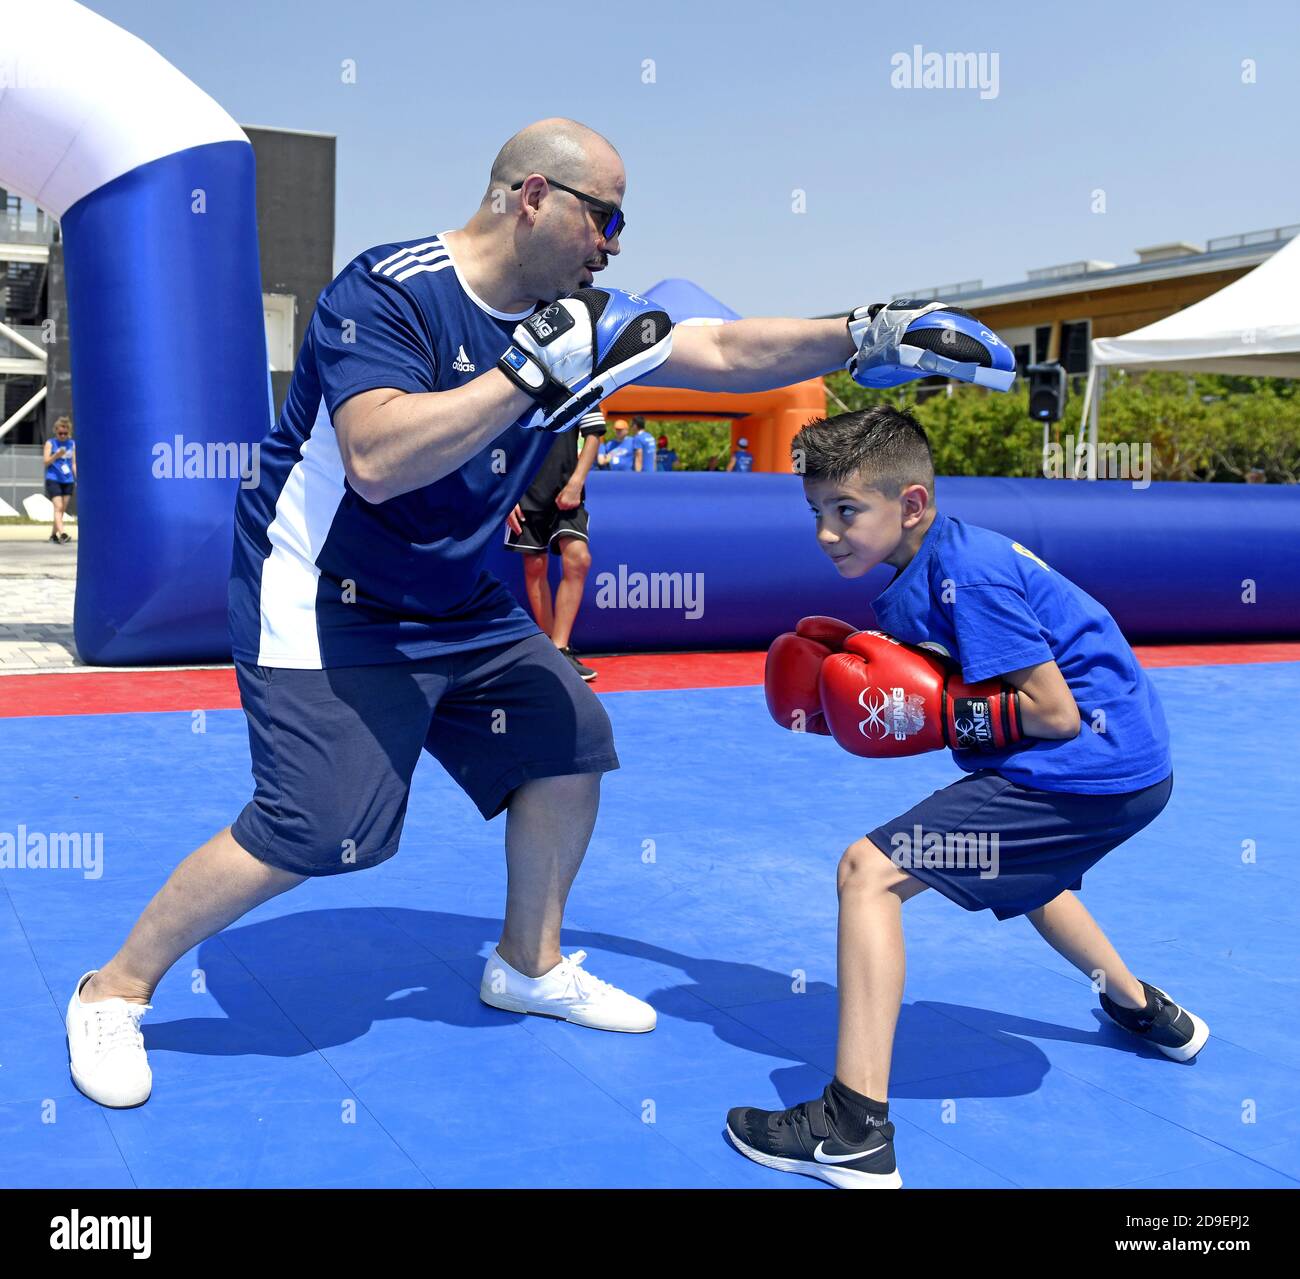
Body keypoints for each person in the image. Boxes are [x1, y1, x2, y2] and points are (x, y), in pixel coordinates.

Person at [66, 116, 877, 1110]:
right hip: (327, 590)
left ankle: (527, 963)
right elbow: (375, 460)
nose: (614, 243)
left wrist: (863, 329)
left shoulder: (577, 316)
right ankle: (113, 988)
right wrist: (528, 370)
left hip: (457, 595)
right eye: (604, 217)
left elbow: (715, 344)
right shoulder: (387, 289)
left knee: (567, 742)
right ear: (531, 196)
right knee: (317, 827)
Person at [726, 405, 1202, 1189]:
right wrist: (854, 709)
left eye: (847, 511)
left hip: (1087, 765)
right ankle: (1146, 1009)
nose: (826, 532)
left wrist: (932, 712)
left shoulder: (966, 575)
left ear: (911, 504)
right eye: (816, 512)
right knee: (1021, 868)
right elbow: (978, 694)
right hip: (1124, 766)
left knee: (866, 872)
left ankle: (854, 1130)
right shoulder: (934, 560)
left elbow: (1054, 713)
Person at [505, 407, 605, 681]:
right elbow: (500, 439)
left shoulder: (579, 381)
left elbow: (594, 433)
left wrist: (576, 482)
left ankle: (561, 647)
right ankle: (551, 649)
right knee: (535, 566)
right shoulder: (515, 381)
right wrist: (507, 493)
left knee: (579, 559)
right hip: (525, 491)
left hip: (567, 493)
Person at [42, 415, 76, 543]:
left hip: (68, 480)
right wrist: (56, 455)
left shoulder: (72, 444)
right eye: (60, 433)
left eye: (65, 433)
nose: (62, 436)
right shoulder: (50, 443)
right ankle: (63, 533)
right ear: (56, 431)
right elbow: (46, 462)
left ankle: (53, 535)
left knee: (62, 509)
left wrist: (76, 478)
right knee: (58, 507)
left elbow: (73, 463)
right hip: (53, 478)